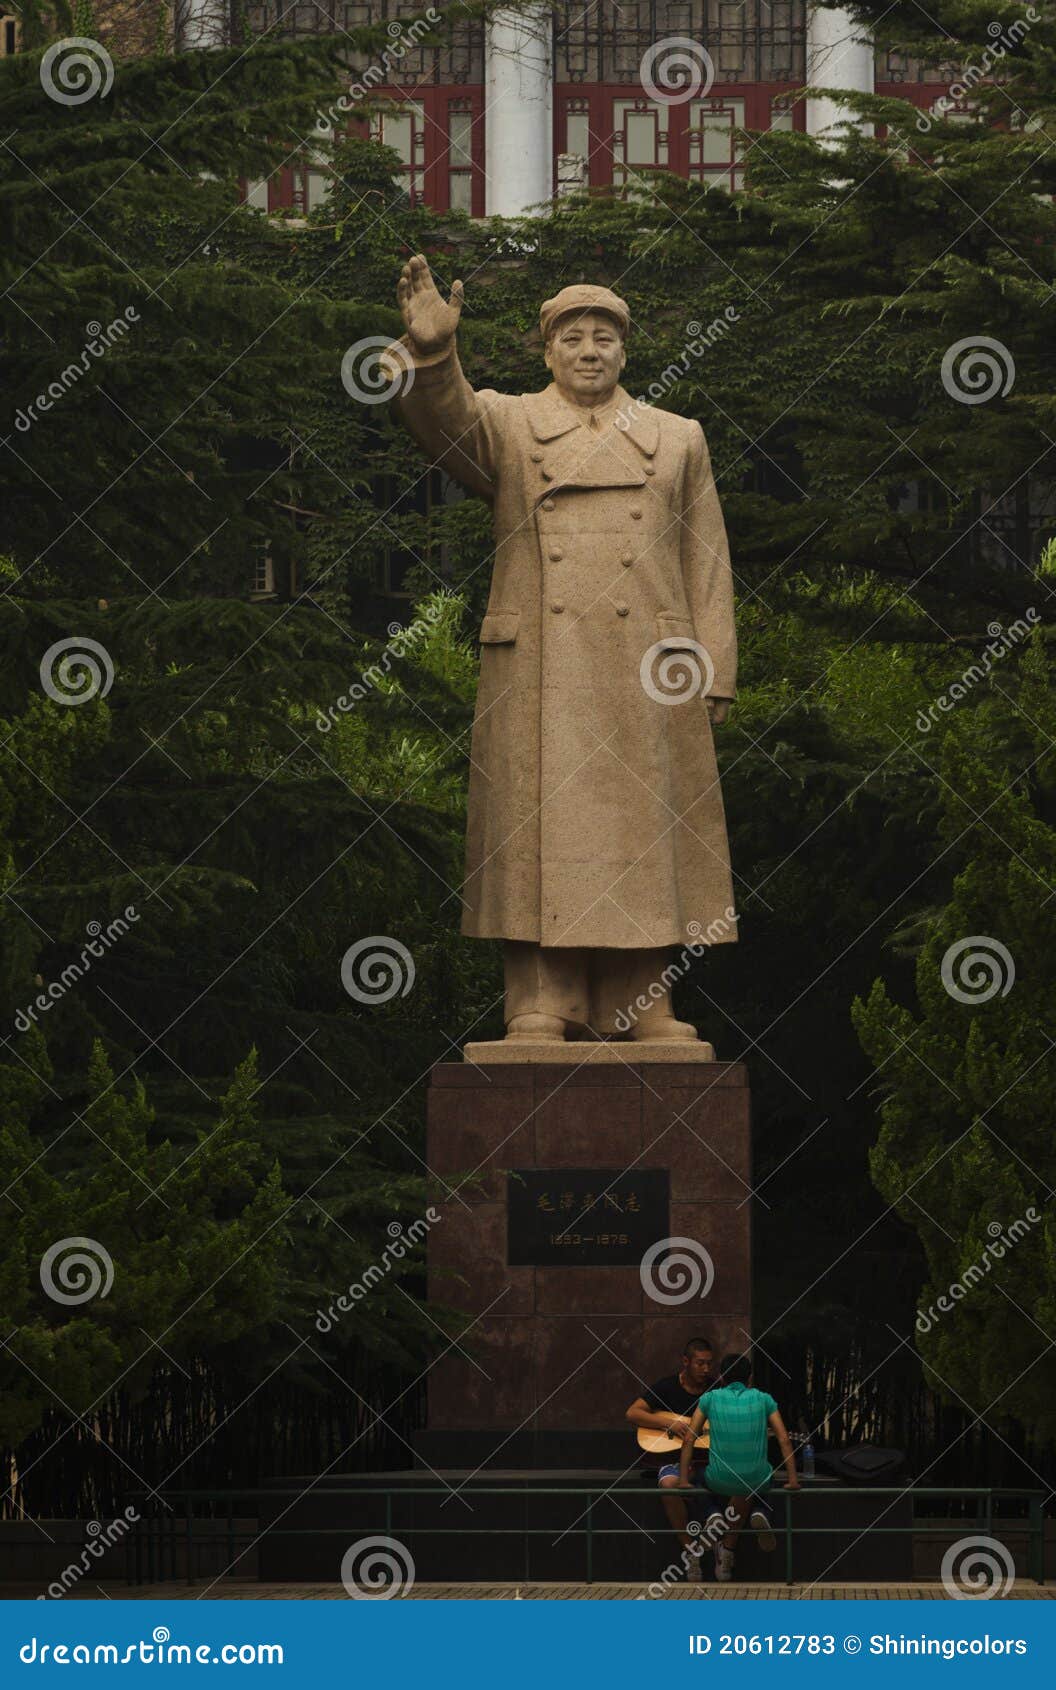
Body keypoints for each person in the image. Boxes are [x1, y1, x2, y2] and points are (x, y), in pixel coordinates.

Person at [380, 258, 738, 1044]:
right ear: (547, 353)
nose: (588, 351)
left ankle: (643, 1001)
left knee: (645, 826)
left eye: (603, 338)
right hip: (541, 659)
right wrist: (436, 352)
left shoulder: (678, 438)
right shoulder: (510, 425)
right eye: (572, 338)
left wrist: (713, 662)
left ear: (624, 352)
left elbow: (706, 556)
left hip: (650, 663)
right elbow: (444, 423)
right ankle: (539, 1002)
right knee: (534, 823)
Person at [678, 1351, 799, 1582]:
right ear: (749, 1378)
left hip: (719, 1479)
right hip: (755, 1479)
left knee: (698, 1478)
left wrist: (683, 1480)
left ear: (722, 1376)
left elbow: (689, 1439)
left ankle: (711, 1513)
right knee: (766, 1477)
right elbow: (784, 1439)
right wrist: (793, 1480)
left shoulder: (710, 1398)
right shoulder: (764, 1399)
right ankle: (761, 1512)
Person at [625, 1338, 714, 1582]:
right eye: (700, 1363)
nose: (706, 1369)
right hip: (672, 1459)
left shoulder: (715, 1390)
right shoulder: (666, 1387)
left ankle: (721, 1548)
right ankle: (691, 1551)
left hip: (707, 1461)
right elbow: (632, 1413)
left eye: (709, 1364)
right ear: (686, 1362)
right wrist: (671, 1423)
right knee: (667, 1485)